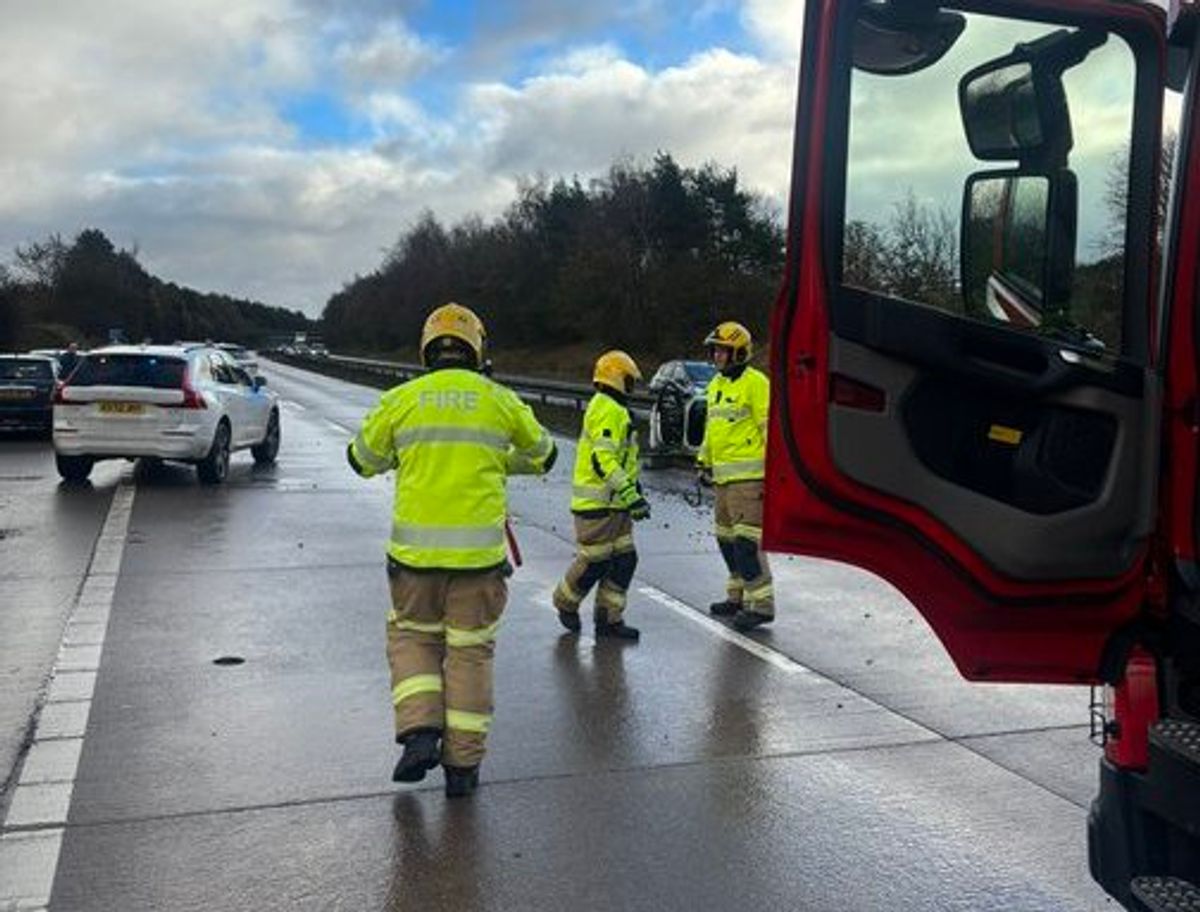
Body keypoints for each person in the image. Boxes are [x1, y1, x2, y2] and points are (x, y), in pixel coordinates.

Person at [347, 302, 557, 798]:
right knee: (469, 656)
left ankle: (420, 733)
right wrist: (495, 461)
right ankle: (462, 770)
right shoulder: (500, 400)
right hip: (479, 566)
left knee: (414, 641)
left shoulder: (401, 399)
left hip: (413, 564)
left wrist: (408, 453)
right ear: (477, 348)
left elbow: (361, 460)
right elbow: (544, 454)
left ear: (426, 349)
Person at [553, 350, 650, 641]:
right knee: (595, 562)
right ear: (618, 379)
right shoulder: (608, 408)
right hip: (597, 506)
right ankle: (565, 602)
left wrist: (632, 491)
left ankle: (609, 619)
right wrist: (631, 494)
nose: (632, 387)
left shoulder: (611, 408)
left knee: (624, 560)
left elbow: (620, 460)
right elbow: (604, 460)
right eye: (629, 381)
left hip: (615, 505)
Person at [696, 321, 774, 631]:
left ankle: (762, 605)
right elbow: (712, 431)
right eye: (714, 349)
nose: (716, 355)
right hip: (722, 481)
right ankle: (737, 597)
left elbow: (769, 431)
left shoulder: (757, 383)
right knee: (726, 541)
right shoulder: (715, 386)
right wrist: (703, 461)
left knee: (746, 544)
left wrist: (773, 477)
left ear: (738, 353)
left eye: (722, 350)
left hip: (750, 481)